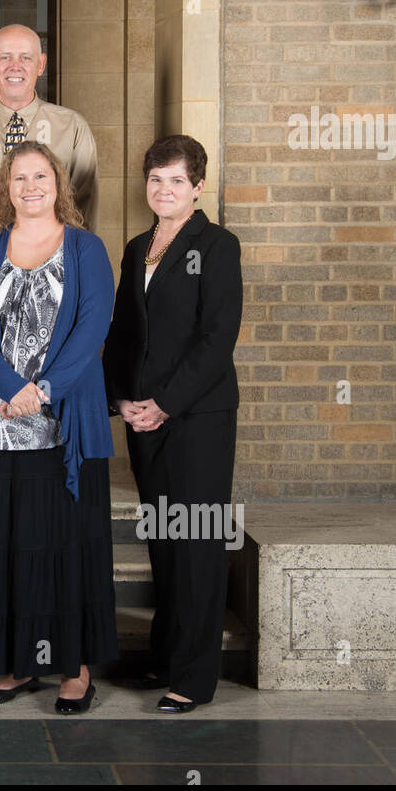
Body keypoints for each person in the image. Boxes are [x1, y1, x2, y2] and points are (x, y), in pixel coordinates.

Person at [0, 140, 117, 715]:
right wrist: (9, 386)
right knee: (9, 547)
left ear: (58, 184)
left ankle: (75, 669)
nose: (30, 186)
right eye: (19, 177)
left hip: (62, 428)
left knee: (64, 548)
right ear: (6, 187)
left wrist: (43, 391)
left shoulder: (87, 248)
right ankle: (19, 662)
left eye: (40, 175)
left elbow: (94, 325)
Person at [103, 134, 242, 713]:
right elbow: (123, 333)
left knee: (198, 542)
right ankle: (164, 656)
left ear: (199, 186)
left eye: (176, 181)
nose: (164, 190)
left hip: (197, 419)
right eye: (156, 179)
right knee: (163, 540)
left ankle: (195, 674)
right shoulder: (137, 247)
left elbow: (216, 340)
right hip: (144, 420)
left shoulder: (217, 245)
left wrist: (164, 402)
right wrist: (121, 400)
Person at [0, 24, 99, 256]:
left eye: (25, 57)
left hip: (56, 269)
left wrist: (58, 261)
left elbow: (85, 209)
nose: (15, 66)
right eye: (5, 57)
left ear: (41, 64)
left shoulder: (73, 127)